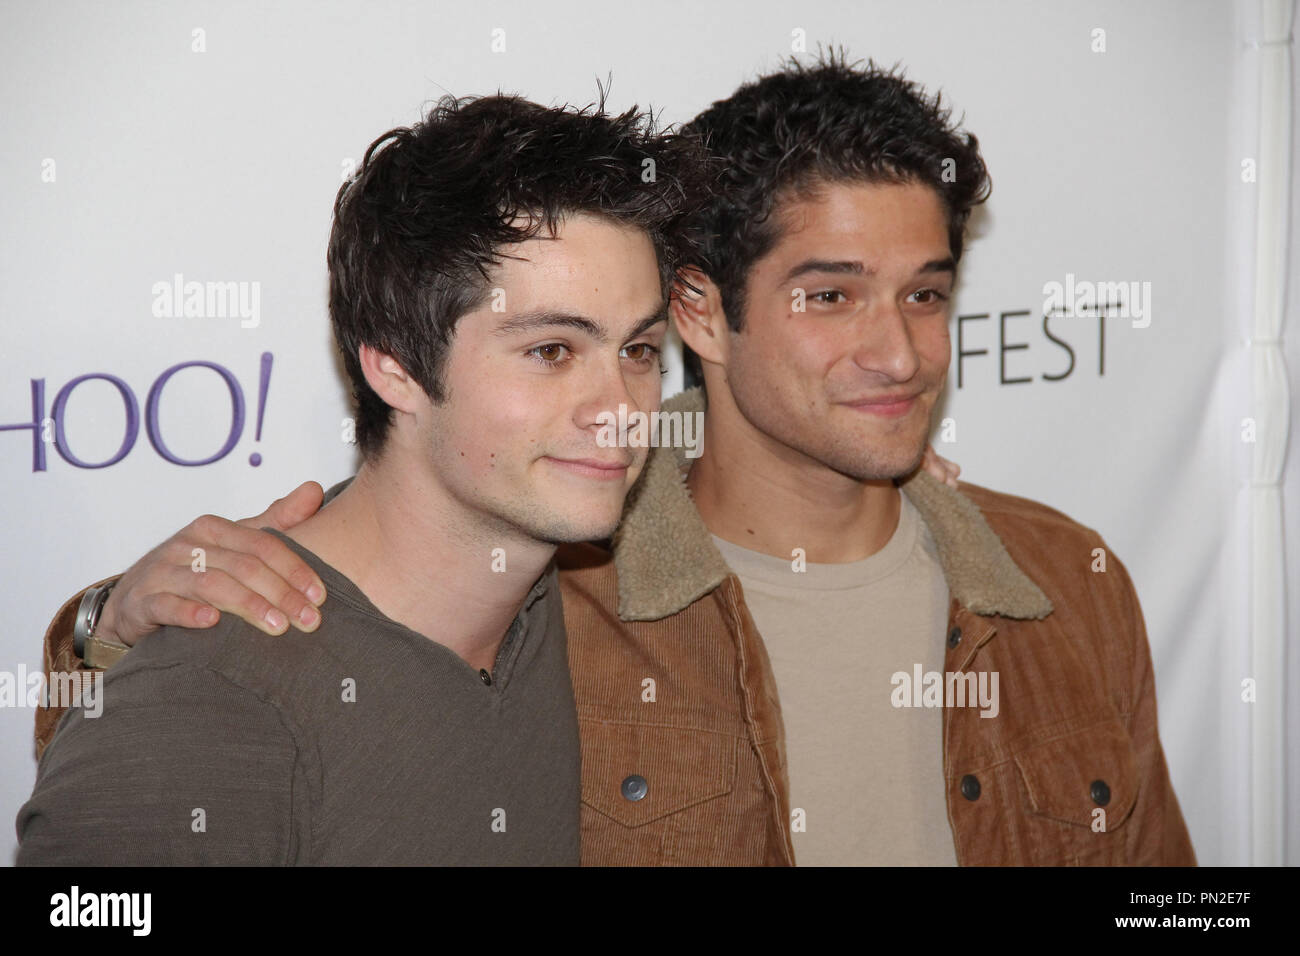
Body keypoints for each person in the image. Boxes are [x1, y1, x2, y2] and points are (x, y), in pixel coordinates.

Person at [28, 53, 1195, 866]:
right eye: (829, 294)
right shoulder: (573, 591)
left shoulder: (1057, 577)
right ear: (707, 312)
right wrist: (107, 630)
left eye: (928, 294)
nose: (897, 350)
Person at [17, 92, 705, 864]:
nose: (618, 408)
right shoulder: (201, 708)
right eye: (551, 350)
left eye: (639, 351)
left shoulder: (596, 599)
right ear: (396, 366)